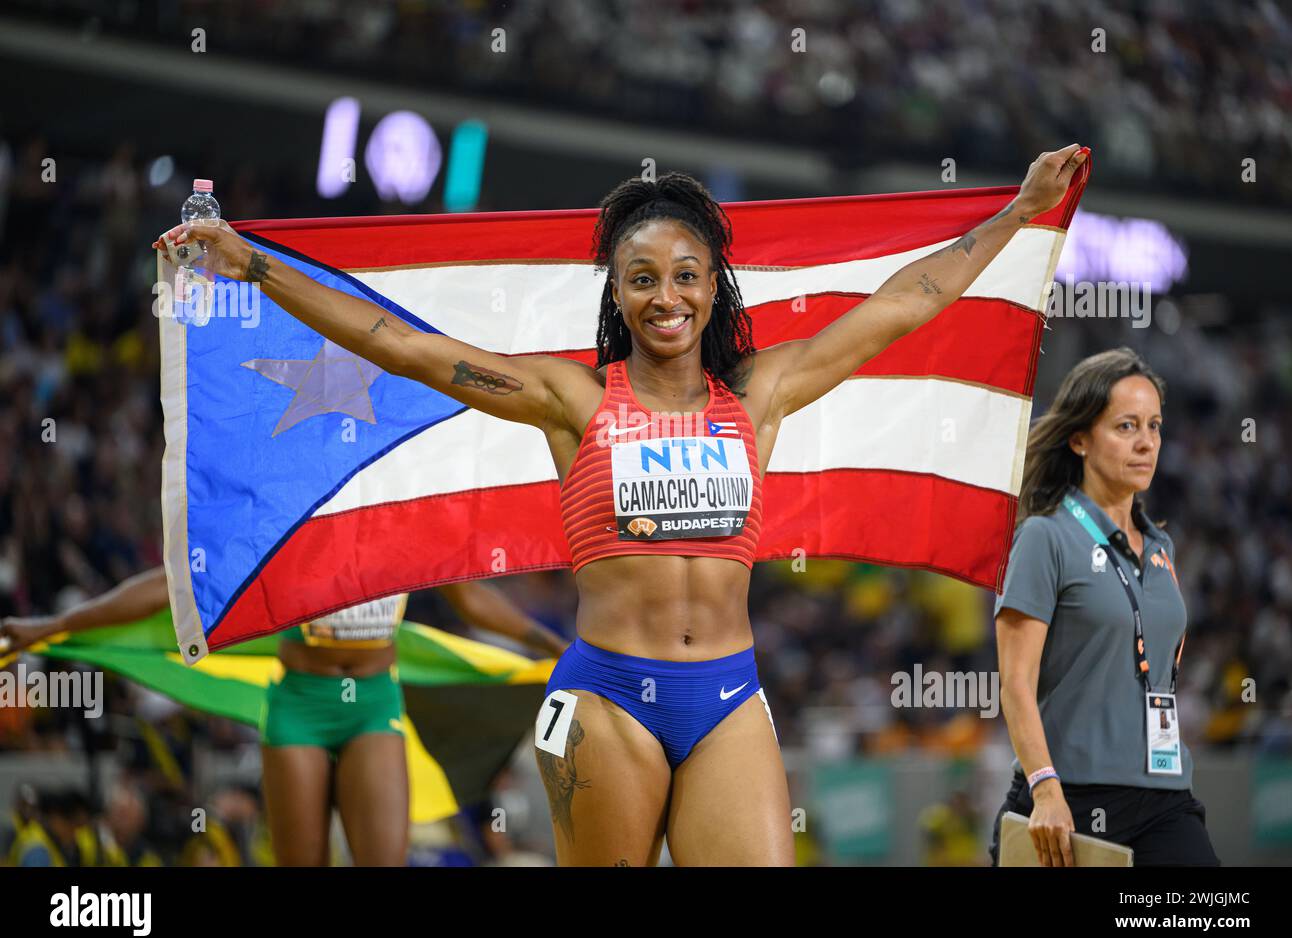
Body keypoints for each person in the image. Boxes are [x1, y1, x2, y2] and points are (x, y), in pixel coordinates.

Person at [154, 145, 1087, 865]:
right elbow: (407, 349)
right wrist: (252, 265)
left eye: (685, 274)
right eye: (642, 277)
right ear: (618, 292)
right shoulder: (574, 401)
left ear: (714, 284)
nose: (666, 295)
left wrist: (1019, 211)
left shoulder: (757, 394)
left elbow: (904, 303)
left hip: (727, 698)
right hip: (606, 700)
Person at [2, 566, 567, 865]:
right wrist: (56, 625)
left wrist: (549, 643)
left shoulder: (400, 508)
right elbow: (178, 585)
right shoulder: (290, 507)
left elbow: (470, 597)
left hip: (373, 703)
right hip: (301, 703)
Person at [989, 348, 1220, 867]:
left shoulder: (1163, 548)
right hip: (1068, 798)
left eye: (1155, 426)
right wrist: (1046, 789)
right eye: (1126, 426)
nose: (1147, 442)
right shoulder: (1043, 538)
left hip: (1164, 798)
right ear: (1079, 439)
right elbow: (1015, 683)